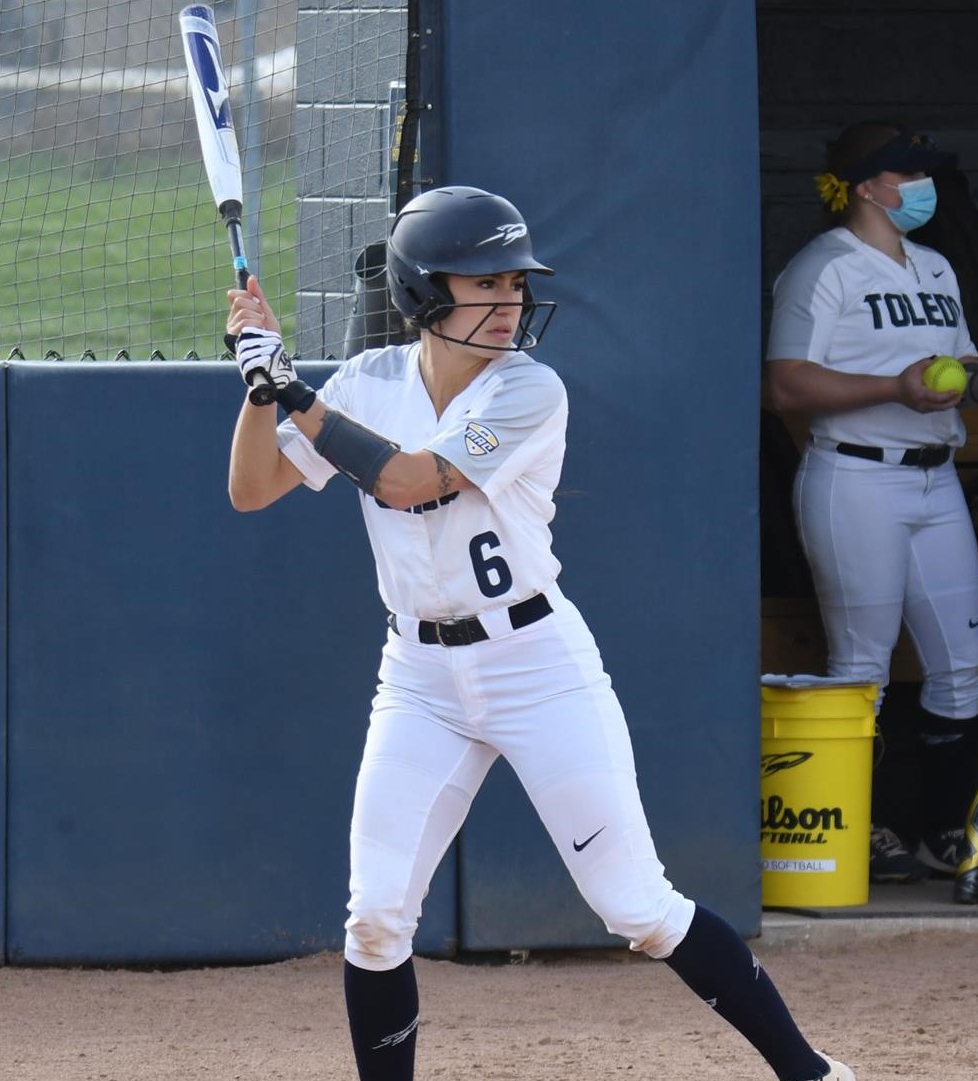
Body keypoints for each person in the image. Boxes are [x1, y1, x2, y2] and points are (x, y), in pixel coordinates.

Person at [222, 186, 854, 1081]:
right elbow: (250, 490)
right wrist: (258, 386)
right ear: (422, 293)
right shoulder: (367, 383)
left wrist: (293, 388)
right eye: (483, 283)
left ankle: (811, 1073)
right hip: (417, 674)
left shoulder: (529, 388)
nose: (508, 300)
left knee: (638, 908)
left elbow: (411, 481)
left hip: (534, 662)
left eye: (514, 282)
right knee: (374, 916)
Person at [763, 122, 978, 887]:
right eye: (908, 174)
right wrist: (892, 387)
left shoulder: (936, 266)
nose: (921, 186)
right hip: (855, 474)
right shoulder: (822, 267)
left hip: (933, 475)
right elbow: (782, 382)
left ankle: (947, 831)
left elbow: (956, 363)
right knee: (860, 669)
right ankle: (861, 828)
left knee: (957, 665)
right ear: (868, 185)